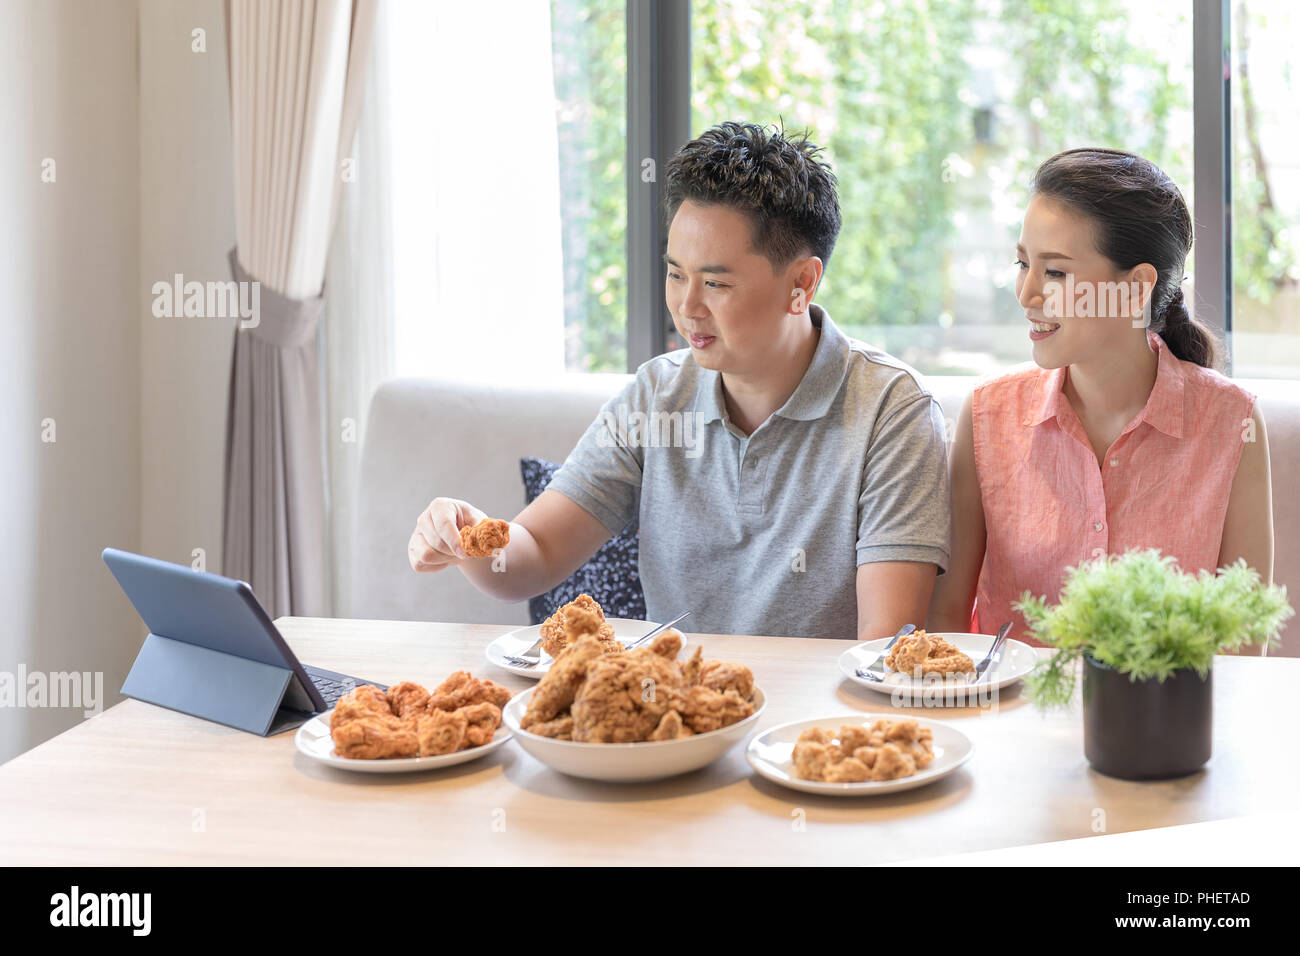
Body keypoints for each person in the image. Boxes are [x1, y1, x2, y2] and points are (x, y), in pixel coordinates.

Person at [408, 121, 950, 640]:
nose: (686, 307)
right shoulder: (655, 396)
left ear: (802, 283)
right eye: (674, 273)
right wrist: (470, 537)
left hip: (811, 727)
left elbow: (883, 646)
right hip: (675, 718)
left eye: (715, 282)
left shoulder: (890, 411)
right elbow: (534, 557)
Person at [928, 147, 1273, 654]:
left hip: (1168, 724)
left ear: (1136, 288)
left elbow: (1244, 646)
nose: (1026, 293)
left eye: (1056, 273)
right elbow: (947, 627)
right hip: (1014, 723)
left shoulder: (1232, 423)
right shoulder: (986, 417)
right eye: (1023, 263)